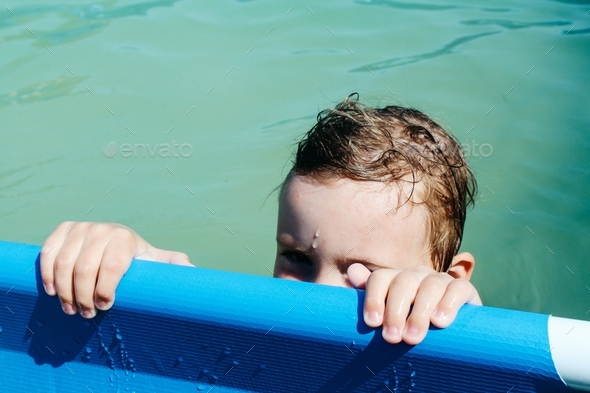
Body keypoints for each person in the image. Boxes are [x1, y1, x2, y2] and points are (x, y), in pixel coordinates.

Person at [40, 93, 482, 346]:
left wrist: (455, 312)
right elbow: (181, 302)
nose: (318, 293)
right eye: (296, 257)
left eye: (363, 271)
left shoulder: (454, 351)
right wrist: (122, 258)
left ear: (450, 273)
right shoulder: (251, 330)